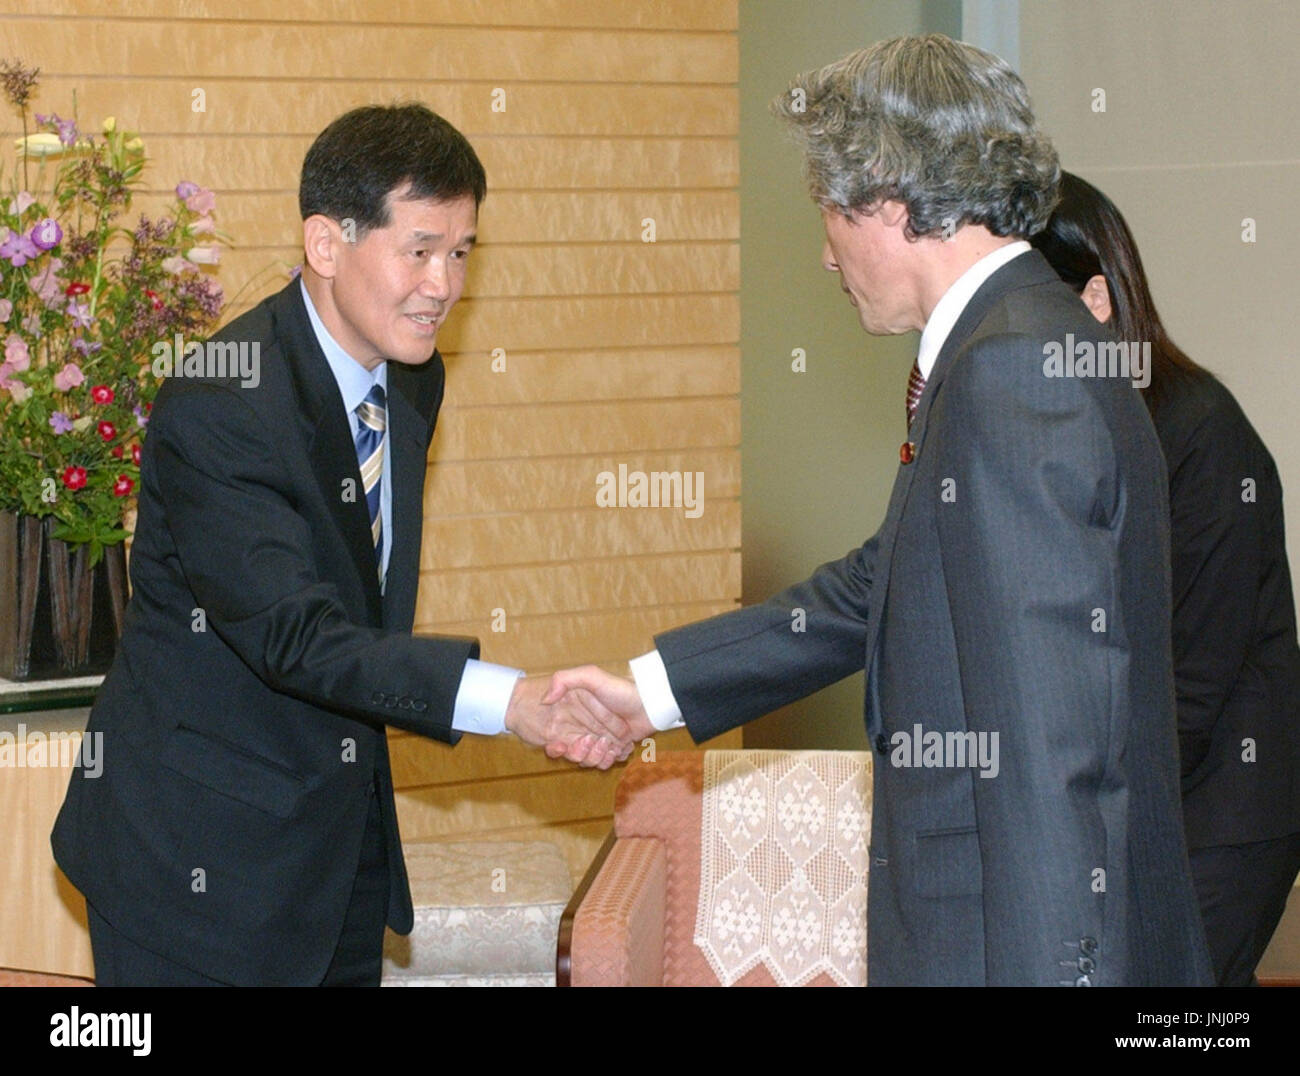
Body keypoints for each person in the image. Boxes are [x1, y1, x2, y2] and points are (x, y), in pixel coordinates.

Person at [547, 35, 1214, 985]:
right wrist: (649, 690)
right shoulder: (1021, 342)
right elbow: (880, 586)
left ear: (889, 201)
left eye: (827, 215)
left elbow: (1050, 745)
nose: (825, 256)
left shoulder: (1012, 371)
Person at [51, 104, 626, 987]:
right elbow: (296, 635)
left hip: (339, 852)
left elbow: (359, 589)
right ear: (325, 244)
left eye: (463, 252)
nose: (444, 285)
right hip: (197, 867)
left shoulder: (409, 376)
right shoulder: (222, 400)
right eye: (421, 249)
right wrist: (511, 701)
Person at [1031, 171, 1300, 986]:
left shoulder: (1198, 430)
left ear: (1097, 303)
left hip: (1225, 807)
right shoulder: (1087, 428)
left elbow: (1192, 679)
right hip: (1155, 797)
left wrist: (1096, 825)